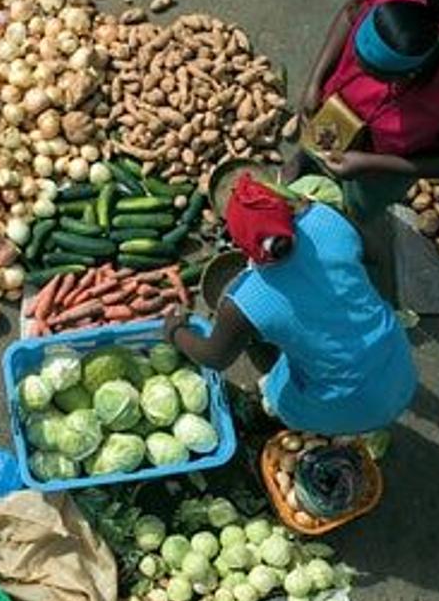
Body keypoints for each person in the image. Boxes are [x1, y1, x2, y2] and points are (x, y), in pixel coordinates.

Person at [163, 174, 416, 436]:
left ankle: (271, 412)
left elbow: (214, 357)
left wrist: (174, 332)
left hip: (348, 405)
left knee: (279, 393)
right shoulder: (326, 220)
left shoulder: (246, 300)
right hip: (399, 366)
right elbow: (374, 254)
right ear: (286, 212)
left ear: (242, 247)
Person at [283, 0, 439, 222]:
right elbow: (347, 16)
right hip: (340, 114)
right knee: (318, 142)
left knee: (360, 206)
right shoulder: (389, 5)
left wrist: (370, 163)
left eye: (372, 72)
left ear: (409, 75)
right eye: (357, 57)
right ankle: (306, 160)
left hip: (391, 159)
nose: (359, 70)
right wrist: (315, 81)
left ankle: (351, 216)